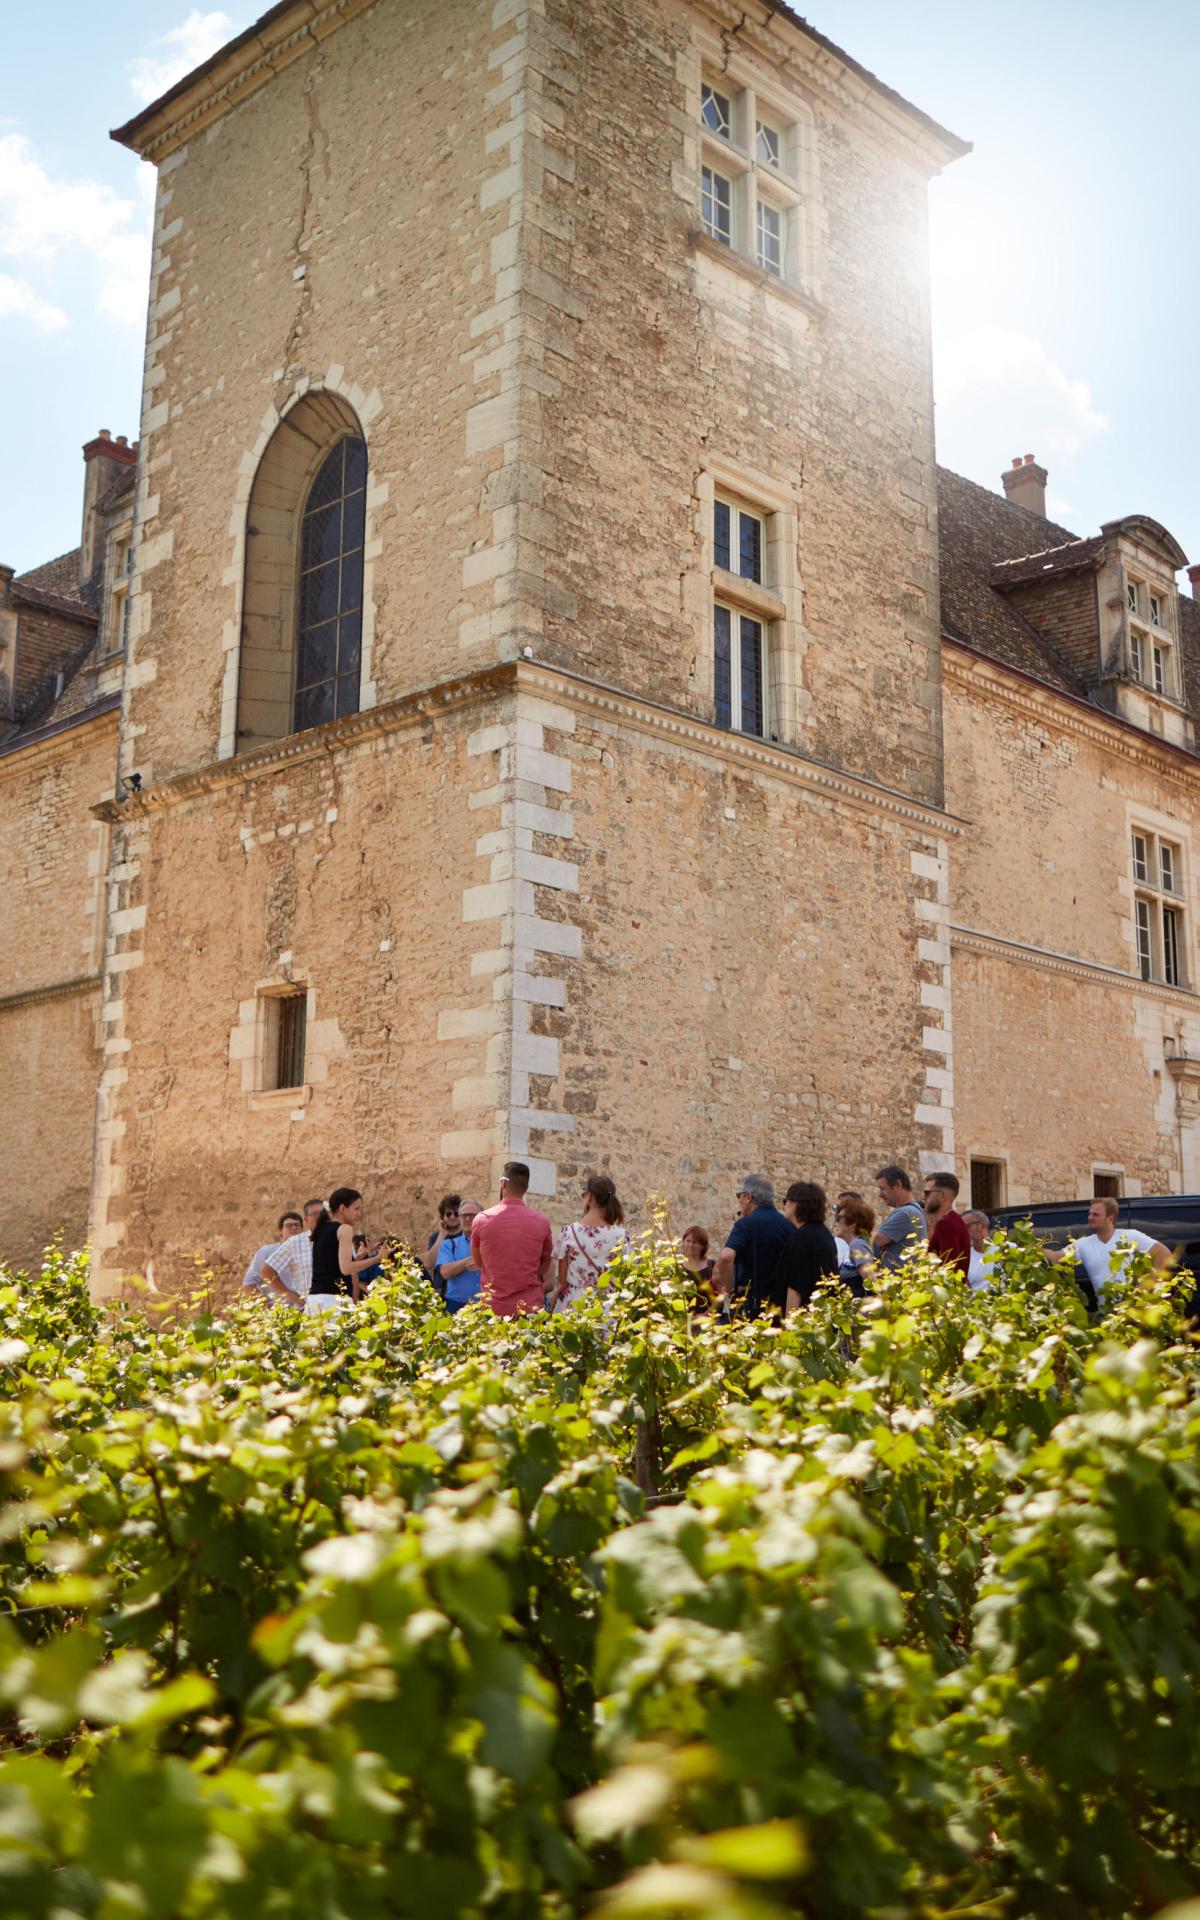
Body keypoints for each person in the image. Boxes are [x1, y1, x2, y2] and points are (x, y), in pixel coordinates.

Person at [1053, 1196, 1170, 1308]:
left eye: (1095, 1214)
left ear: (1110, 1218)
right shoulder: (1084, 1244)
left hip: (1137, 1311)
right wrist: (1036, 1248)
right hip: (1108, 1314)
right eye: (1089, 1213)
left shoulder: (1130, 1236)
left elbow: (1165, 1255)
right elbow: (1056, 1257)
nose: (1090, 1217)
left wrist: (1145, 1286)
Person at [470, 1161, 553, 1317]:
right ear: (526, 1188)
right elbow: (544, 1264)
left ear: (503, 1183)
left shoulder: (482, 1219)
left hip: (493, 1308)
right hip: (530, 1307)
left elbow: (480, 1261)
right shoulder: (541, 1222)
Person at [714, 1174, 796, 1318]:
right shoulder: (789, 1227)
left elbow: (726, 1257)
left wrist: (725, 1299)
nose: (739, 1201)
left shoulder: (746, 1224)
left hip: (751, 1308)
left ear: (748, 1197)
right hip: (781, 1308)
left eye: (739, 1196)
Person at [549, 1175, 630, 1312]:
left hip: (575, 1304)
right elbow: (626, 1276)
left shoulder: (569, 1232)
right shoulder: (621, 1236)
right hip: (608, 1306)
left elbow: (562, 1282)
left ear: (590, 1197)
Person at [307, 1187, 382, 1313]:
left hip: (314, 1302)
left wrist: (358, 1258)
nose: (359, 1214)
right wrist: (378, 1258)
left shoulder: (322, 1229)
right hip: (333, 1303)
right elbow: (346, 1268)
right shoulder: (345, 1229)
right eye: (356, 1208)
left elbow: (333, 1265)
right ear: (342, 1208)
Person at [782, 1181, 839, 1311]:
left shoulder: (802, 1237)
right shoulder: (824, 1234)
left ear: (796, 1204)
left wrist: (789, 1327)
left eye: (786, 1201)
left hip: (803, 1318)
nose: (785, 1205)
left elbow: (796, 1285)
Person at [260, 1196, 326, 1306]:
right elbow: (265, 1271)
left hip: (335, 1304)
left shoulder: (338, 1238)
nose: (293, 1228)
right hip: (306, 1307)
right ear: (306, 1219)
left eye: (323, 1213)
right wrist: (289, 1295)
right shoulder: (295, 1242)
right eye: (314, 1214)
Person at [872, 1166, 927, 1271]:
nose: (880, 1195)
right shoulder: (913, 1210)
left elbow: (874, 1241)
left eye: (883, 1189)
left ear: (898, 1184)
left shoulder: (905, 1213)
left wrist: (851, 1229)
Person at [436, 1198, 483, 1313]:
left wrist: (484, 1264)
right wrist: (473, 1259)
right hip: (455, 1306)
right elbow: (445, 1272)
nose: (467, 1219)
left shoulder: (491, 1244)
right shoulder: (449, 1245)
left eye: (472, 1215)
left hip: (484, 1306)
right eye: (464, 1215)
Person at [922, 1171, 971, 1281]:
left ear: (942, 1195)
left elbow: (947, 1269)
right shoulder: (953, 1220)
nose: (923, 1198)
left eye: (927, 1193)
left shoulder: (947, 1223)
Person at [242, 1210, 302, 1297]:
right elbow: (249, 1284)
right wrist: (265, 1308)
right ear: (280, 1231)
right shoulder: (266, 1252)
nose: (293, 1228)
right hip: (277, 1309)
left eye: (297, 1225)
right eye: (289, 1225)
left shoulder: (308, 1253)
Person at [834, 1195, 876, 1295]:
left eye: (839, 1218)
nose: (836, 1221)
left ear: (853, 1223)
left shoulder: (857, 1244)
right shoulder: (856, 1244)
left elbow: (871, 1281)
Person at [426, 1195, 463, 1296]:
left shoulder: (467, 1237)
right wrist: (442, 1235)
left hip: (461, 1293)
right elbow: (429, 1264)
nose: (452, 1217)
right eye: (448, 1214)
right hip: (441, 1292)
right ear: (443, 1217)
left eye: (456, 1214)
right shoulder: (436, 1237)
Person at [679, 1224, 717, 1312]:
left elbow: (725, 1295)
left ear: (703, 1246)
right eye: (688, 1241)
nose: (691, 1245)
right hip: (683, 1321)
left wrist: (706, 1315)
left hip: (709, 1321)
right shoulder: (676, 1268)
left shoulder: (712, 1266)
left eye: (695, 1242)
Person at [963, 1210, 997, 1291]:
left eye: (966, 1226)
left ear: (982, 1225)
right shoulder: (965, 1258)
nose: (963, 1232)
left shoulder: (1007, 1249)